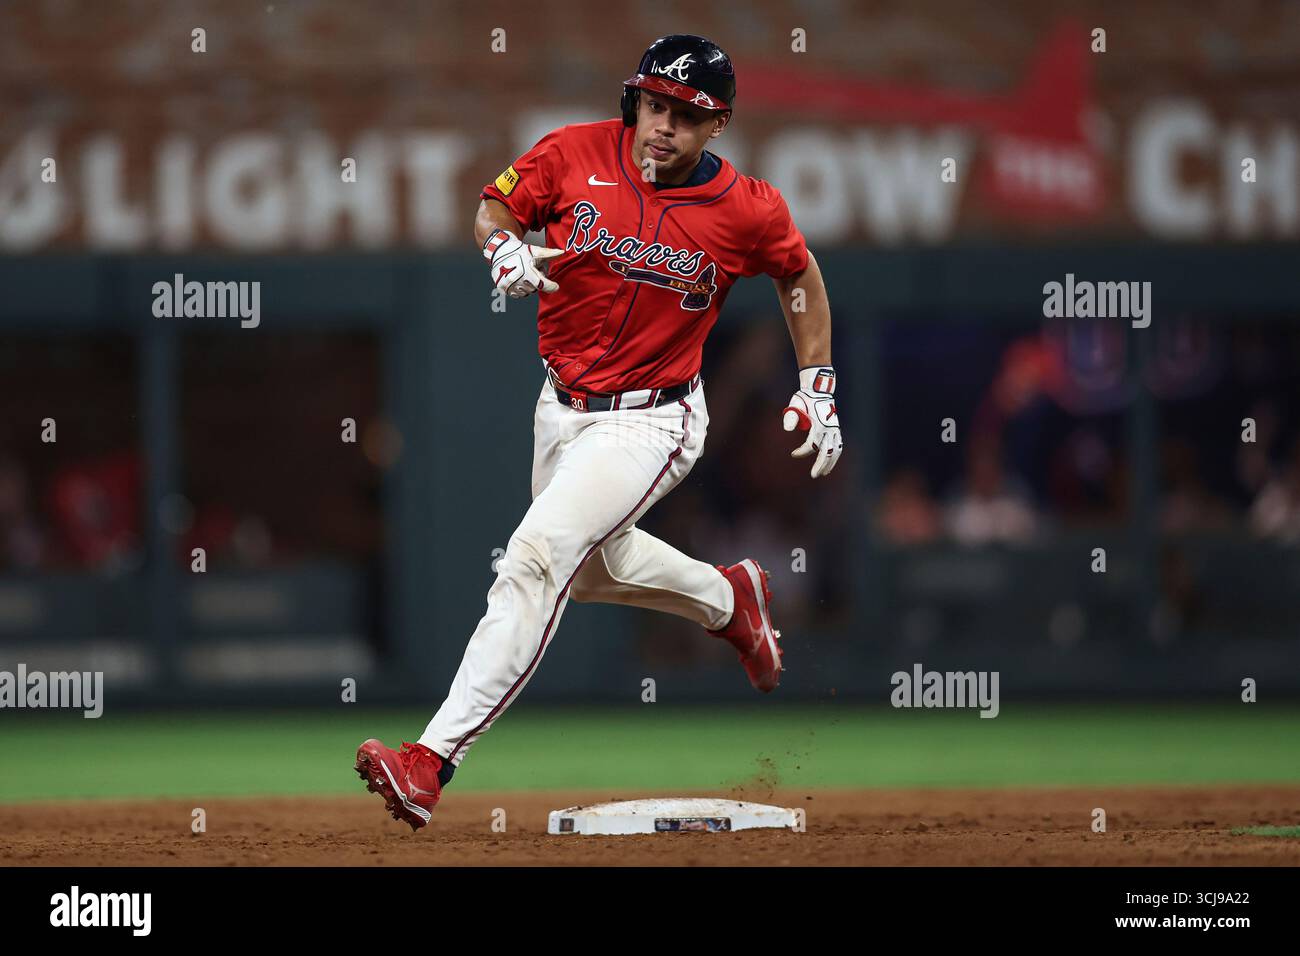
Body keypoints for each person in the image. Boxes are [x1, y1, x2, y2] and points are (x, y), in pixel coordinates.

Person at [355, 34, 842, 830]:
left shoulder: (746, 207)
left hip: (655, 418)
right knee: (584, 571)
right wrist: (502, 245)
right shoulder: (573, 153)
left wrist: (817, 384)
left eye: (686, 115)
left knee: (536, 557)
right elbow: (493, 206)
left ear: (716, 126)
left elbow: (799, 273)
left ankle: (430, 761)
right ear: (634, 99)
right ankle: (729, 597)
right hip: (562, 406)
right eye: (655, 104)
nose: (664, 125)